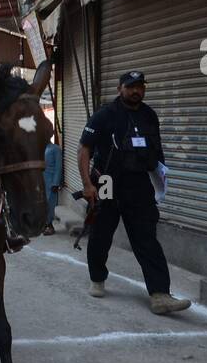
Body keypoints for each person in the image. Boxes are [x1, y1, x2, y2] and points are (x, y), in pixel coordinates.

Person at [79, 71, 191, 314]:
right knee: (101, 234)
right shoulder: (104, 115)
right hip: (107, 181)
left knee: (146, 239)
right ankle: (97, 277)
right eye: (130, 87)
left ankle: (160, 294)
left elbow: (156, 152)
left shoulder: (150, 116)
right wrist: (88, 185)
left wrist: (160, 180)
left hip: (138, 184)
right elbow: (84, 150)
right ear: (120, 88)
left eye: (140, 86)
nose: (136, 91)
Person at [43, 140, 62, 236]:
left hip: (51, 183)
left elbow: (59, 167)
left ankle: (50, 226)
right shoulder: (40, 148)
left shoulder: (55, 149)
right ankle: (43, 225)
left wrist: (56, 183)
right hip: (41, 182)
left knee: (50, 204)